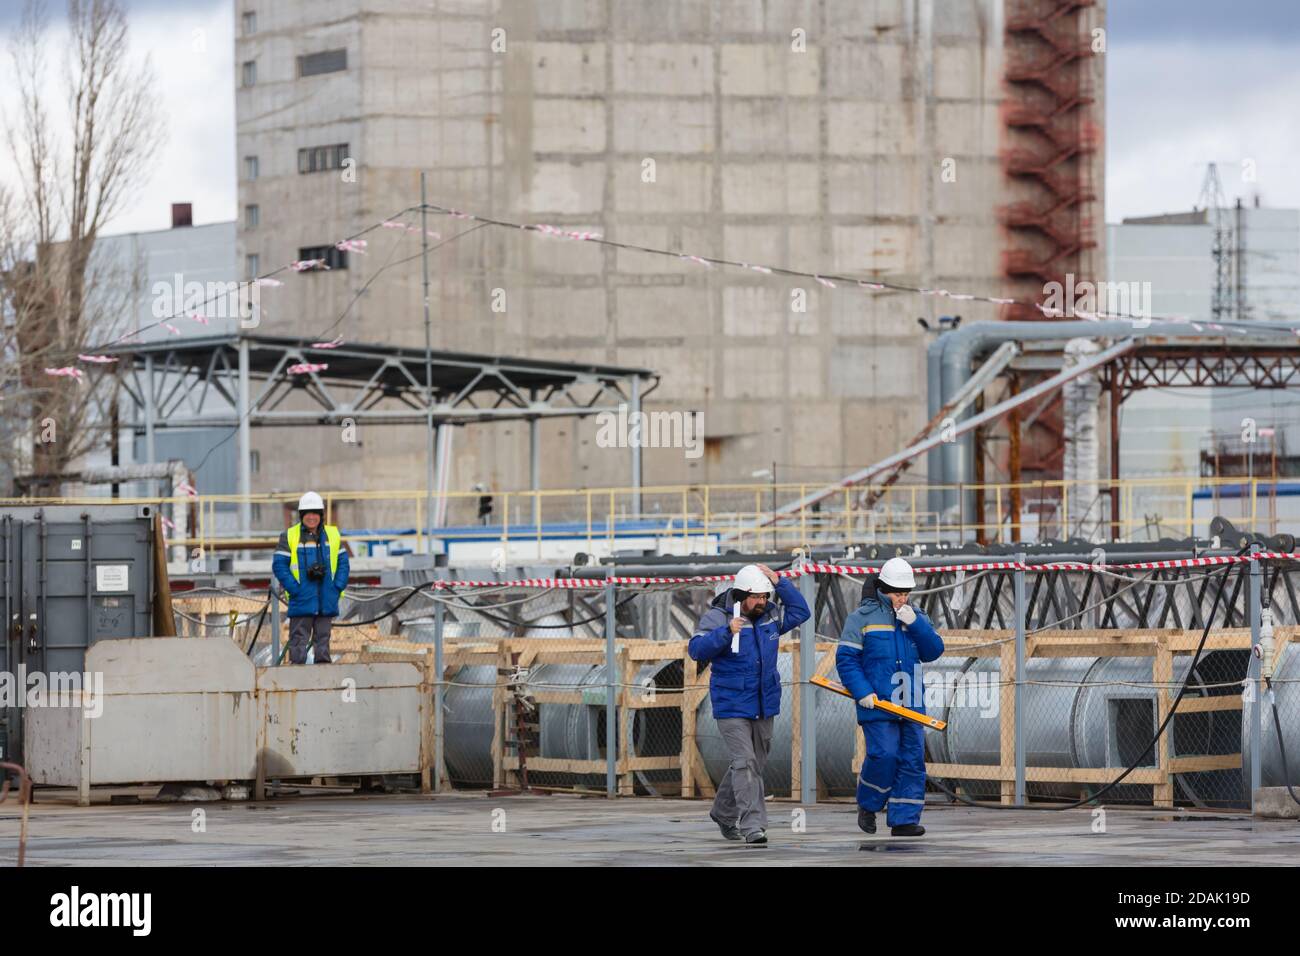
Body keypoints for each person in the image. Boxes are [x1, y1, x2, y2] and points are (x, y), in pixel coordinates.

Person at [689, 563, 810, 845]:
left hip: (763, 702)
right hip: (731, 704)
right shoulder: (717, 618)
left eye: (766, 597)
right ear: (741, 595)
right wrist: (726, 633)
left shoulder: (769, 617)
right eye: (757, 597)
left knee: (754, 763)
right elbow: (696, 650)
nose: (762, 602)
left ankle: (722, 812)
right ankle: (753, 825)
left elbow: (802, 612)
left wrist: (781, 584)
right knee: (744, 762)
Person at [836, 557, 944, 837]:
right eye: (898, 593)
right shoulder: (861, 618)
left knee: (911, 760)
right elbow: (847, 659)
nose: (902, 598)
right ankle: (868, 804)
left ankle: (904, 819)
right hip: (878, 703)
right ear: (883, 588)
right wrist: (862, 692)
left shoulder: (915, 615)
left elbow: (933, 651)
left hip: (910, 702)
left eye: (906, 593)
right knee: (884, 754)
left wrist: (916, 624)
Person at [272, 491, 349, 664]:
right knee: (298, 642)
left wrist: (337, 587)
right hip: (302, 598)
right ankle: (298, 681)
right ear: (301, 515)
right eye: (308, 513)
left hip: (326, 597)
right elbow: (279, 565)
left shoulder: (333, 535)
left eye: (315, 513)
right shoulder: (290, 536)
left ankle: (323, 681)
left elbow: (343, 563)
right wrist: (295, 589)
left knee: (323, 641)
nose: (312, 517)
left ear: (321, 515)